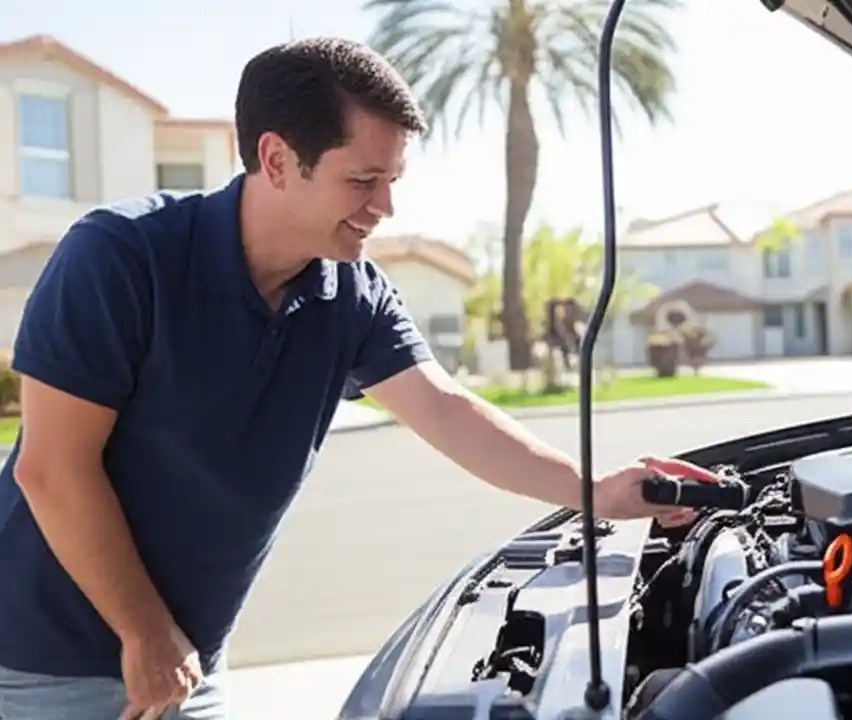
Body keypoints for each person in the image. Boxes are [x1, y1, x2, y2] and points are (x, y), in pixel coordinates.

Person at [0, 37, 716, 720]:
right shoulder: (121, 259)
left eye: (393, 180)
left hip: (182, 653)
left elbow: (445, 410)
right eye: (363, 180)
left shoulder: (351, 293)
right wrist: (145, 632)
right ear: (277, 160)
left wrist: (592, 491)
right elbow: (52, 469)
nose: (385, 206)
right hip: (48, 662)